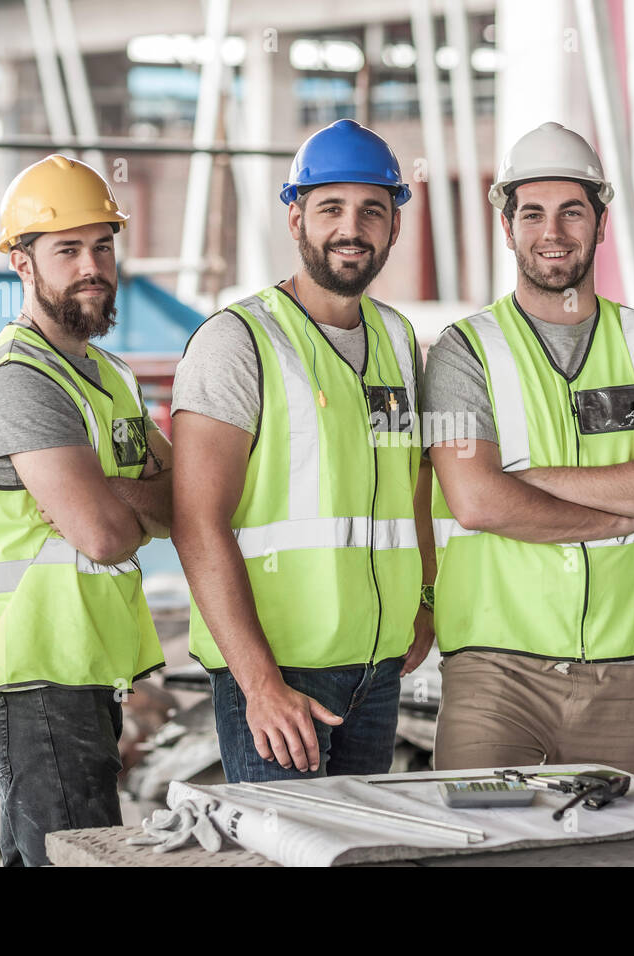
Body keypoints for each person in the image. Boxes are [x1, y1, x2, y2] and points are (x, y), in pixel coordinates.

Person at [425, 122, 634, 776]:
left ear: (601, 223)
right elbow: (475, 500)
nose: (552, 233)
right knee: (480, 846)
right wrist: (625, 507)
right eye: (532, 213)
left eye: (571, 212)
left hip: (627, 663)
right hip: (495, 662)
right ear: (507, 227)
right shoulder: (461, 351)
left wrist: (526, 479)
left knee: (603, 849)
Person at [171, 119, 434, 782]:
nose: (353, 227)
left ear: (394, 226)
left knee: (360, 854)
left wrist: (425, 601)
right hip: (278, 674)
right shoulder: (237, 342)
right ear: (295, 219)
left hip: (376, 670)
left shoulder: (399, 339)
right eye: (331, 209)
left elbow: (415, 485)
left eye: (372, 210)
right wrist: (259, 683)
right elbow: (197, 522)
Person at [0, 154, 172, 865]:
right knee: (79, 857)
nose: (92, 266)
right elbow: (105, 536)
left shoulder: (109, 376)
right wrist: (118, 502)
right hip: (31, 671)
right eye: (67, 249)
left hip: (80, 670)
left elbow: (182, 504)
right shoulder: (19, 381)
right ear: (21, 262)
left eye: (103, 246)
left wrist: (101, 490)